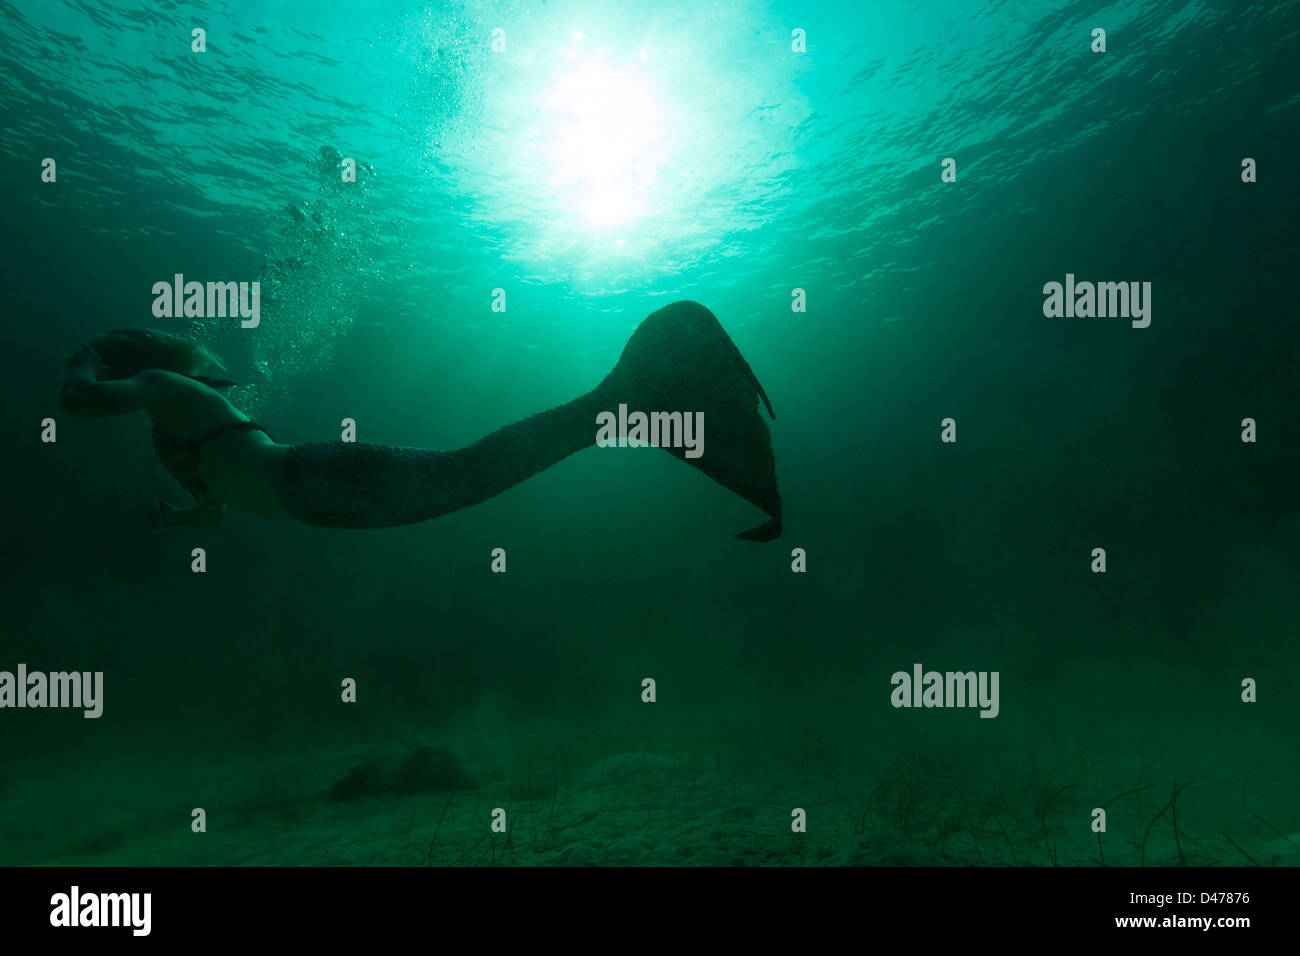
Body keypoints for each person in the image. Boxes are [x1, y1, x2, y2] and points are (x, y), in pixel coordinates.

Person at [58, 301, 783, 540]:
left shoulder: (157, 386)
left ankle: (627, 396)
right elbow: (217, 510)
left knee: (463, 472)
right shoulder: (174, 419)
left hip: (314, 477)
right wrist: (175, 516)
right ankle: (622, 405)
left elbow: (81, 400)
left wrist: (86, 356)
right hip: (314, 499)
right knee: (463, 476)